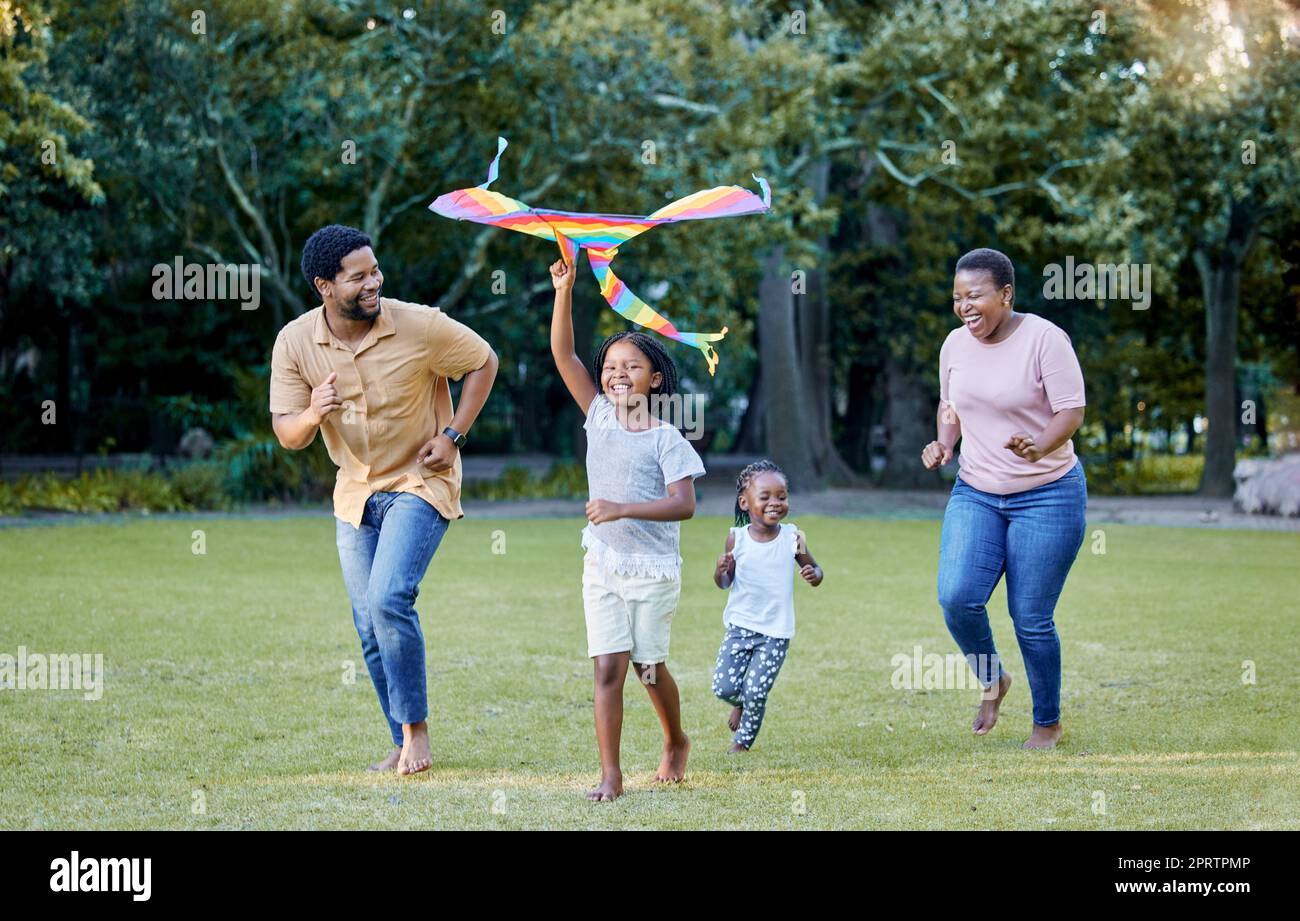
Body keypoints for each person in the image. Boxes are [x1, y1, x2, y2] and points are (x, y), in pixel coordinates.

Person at [269, 224, 498, 774]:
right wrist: (313, 412)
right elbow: (287, 433)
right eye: (359, 276)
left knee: (389, 598)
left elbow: (484, 361)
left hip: (419, 482)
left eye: (375, 270)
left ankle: (416, 733)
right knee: (367, 620)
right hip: (355, 494)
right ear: (325, 285)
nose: (375, 281)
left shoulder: (420, 325)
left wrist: (454, 435)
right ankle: (399, 738)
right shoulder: (295, 342)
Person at [548, 256, 703, 802]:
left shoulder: (667, 439)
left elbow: (684, 505)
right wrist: (564, 290)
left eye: (631, 367)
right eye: (611, 365)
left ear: (654, 379)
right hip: (604, 563)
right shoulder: (597, 416)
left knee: (649, 668)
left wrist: (621, 508)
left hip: (653, 569)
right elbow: (563, 355)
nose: (617, 374)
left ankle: (676, 740)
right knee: (608, 667)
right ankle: (611, 774)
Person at [922, 247, 1087, 750]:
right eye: (957, 298)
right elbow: (951, 405)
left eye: (975, 296)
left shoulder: (1044, 339)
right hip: (976, 490)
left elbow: (1072, 410)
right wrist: (944, 444)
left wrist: (1039, 445)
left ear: (1006, 294)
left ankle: (1047, 722)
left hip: (1048, 494)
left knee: (1031, 617)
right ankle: (993, 679)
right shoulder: (954, 345)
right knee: (956, 596)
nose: (964, 307)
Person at [711, 460, 822, 753]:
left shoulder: (793, 537)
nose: (775, 503)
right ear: (745, 502)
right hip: (740, 627)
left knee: (757, 690)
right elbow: (724, 583)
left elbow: (815, 569)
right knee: (723, 686)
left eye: (782, 496)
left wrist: (814, 574)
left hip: (775, 632)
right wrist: (721, 569)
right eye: (765, 497)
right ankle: (740, 704)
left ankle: (742, 743)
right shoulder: (736, 539)